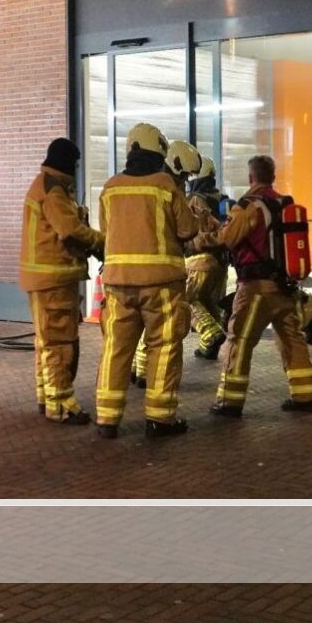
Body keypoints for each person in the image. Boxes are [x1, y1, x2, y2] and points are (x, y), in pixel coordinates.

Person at [191, 155, 312, 416]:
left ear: (251, 177)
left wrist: (198, 241)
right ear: (272, 176)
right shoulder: (283, 203)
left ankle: (229, 401)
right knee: (292, 339)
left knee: (239, 339)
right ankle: (306, 396)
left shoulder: (249, 206)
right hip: (284, 288)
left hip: (255, 290)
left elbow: (227, 238)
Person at [95, 124, 199, 438]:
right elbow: (187, 230)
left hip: (117, 285)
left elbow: (105, 232)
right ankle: (160, 418)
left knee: (116, 348)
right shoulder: (166, 185)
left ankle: (107, 419)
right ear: (159, 153)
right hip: (161, 285)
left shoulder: (110, 187)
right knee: (163, 347)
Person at [19, 138, 105, 425]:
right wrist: (102, 243)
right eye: (76, 163)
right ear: (68, 162)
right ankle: (62, 405)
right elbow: (70, 230)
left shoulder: (45, 184)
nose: (78, 169)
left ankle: (47, 397)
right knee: (61, 342)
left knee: (46, 342)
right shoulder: (54, 191)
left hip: (43, 278)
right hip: (54, 278)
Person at [132, 139, 201, 388]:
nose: (184, 183)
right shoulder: (164, 187)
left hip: (138, 272)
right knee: (160, 331)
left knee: (146, 328)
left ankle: (141, 370)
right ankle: (145, 373)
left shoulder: (156, 185)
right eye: (183, 177)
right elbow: (186, 229)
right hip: (159, 273)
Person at [186, 155, 230, 361]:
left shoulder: (196, 199)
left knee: (186, 299)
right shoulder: (223, 199)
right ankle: (208, 347)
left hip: (200, 261)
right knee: (211, 304)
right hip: (220, 263)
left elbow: (193, 232)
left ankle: (209, 333)